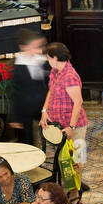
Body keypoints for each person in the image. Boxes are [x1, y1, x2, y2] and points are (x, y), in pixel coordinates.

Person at [41, 42, 88, 174]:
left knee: (75, 159)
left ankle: (75, 190)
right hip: (61, 124)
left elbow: (78, 102)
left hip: (75, 126)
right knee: (64, 158)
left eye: (49, 58)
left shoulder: (69, 77)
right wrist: (44, 111)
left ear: (55, 58)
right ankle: (69, 185)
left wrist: (71, 127)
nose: (47, 60)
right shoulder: (55, 71)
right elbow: (51, 91)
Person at [9, 29, 48, 138]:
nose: (38, 50)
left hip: (44, 105)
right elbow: (16, 93)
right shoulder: (19, 65)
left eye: (38, 46)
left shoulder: (44, 61)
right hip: (25, 108)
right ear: (24, 47)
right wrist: (14, 117)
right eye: (34, 47)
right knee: (27, 139)